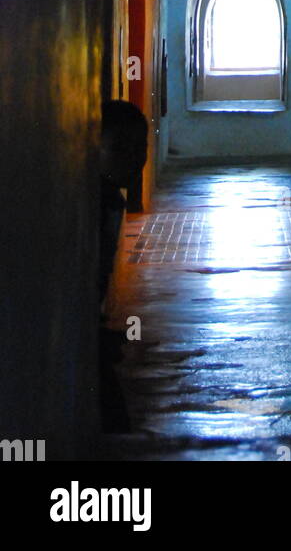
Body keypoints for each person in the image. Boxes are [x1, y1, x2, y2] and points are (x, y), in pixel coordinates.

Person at [98, 98, 148, 432]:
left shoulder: (108, 201)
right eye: (119, 148)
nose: (134, 160)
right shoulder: (96, 203)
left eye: (139, 149)